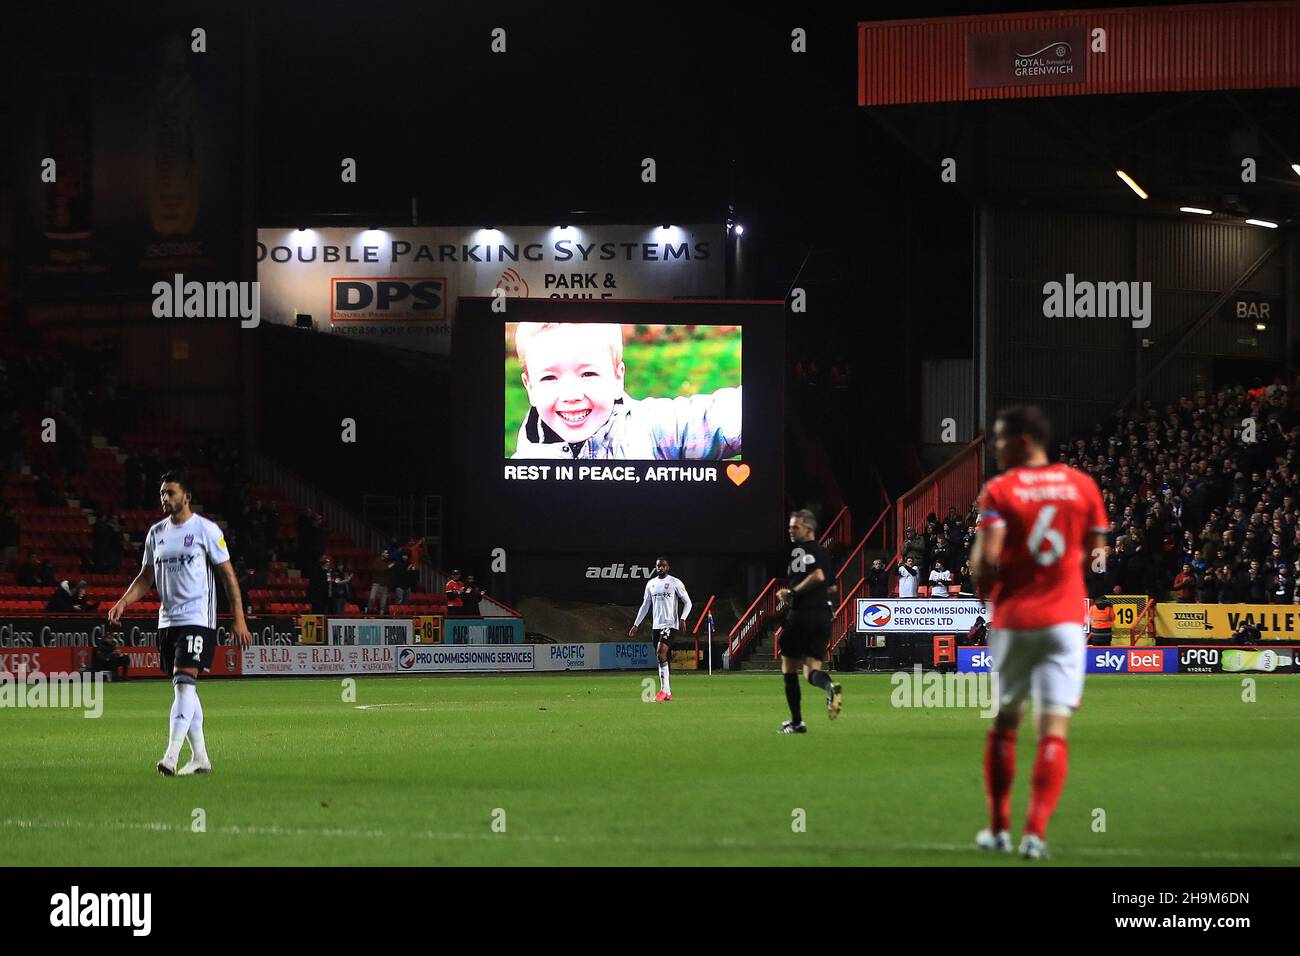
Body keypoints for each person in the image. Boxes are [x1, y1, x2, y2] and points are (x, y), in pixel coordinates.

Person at [970, 405, 1108, 860]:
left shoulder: (1001, 489)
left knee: (1006, 723)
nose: (995, 447)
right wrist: (1068, 573)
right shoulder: (1082, 485)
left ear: (1025, 440)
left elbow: (985, 562)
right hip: (1066, 621)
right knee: (1053, 732)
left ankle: (997, 830)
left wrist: (989, 592)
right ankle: (1035, 835)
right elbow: (1097, 554)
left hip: (1015, 620)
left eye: (1000, 438)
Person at [108, 471, 252, 776]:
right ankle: (200, 757)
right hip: (167, 621)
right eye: (162, 493)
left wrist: (239, 618)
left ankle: (171, 756)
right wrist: (124, 601)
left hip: (198, 618)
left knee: (184, 683)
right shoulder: (155, 533)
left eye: (170, 492)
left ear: (186, 496)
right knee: (185, 688)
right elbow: (146, 576)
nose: (165, 498)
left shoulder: (206, 530)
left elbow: (228, 576)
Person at [510, 322, 741, 460]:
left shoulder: (653, 430)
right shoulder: (521, 465)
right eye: (550, 377)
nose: (571, 395)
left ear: (617, 377)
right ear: (529, 387)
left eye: (588, 374)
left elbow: (714, 418)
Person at [773, 510, 843, 733]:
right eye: (790, 526)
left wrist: (792, 592)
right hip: (822, 616)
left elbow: (818, 577)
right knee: (811, 671)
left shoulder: (800, 551)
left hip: (801, 615)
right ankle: (830, 687)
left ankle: (797, 722)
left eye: (795, 527)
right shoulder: (823, 552)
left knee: (789, 668)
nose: (790, 530)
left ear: (809, 529)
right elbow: (831, 586)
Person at [628, 557, 692, 702]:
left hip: (670, 624)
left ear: (668, 567)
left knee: (660, 653)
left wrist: (683, 618)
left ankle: (663, 691)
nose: (660, 568)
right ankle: (667, 692)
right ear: (656, 567)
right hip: (656, 626)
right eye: (658, 566)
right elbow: (645, 606)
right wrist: (636, 624)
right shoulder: (651, 584)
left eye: (663, 566)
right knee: (660, 657)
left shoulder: (675, 582)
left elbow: (688, 602)